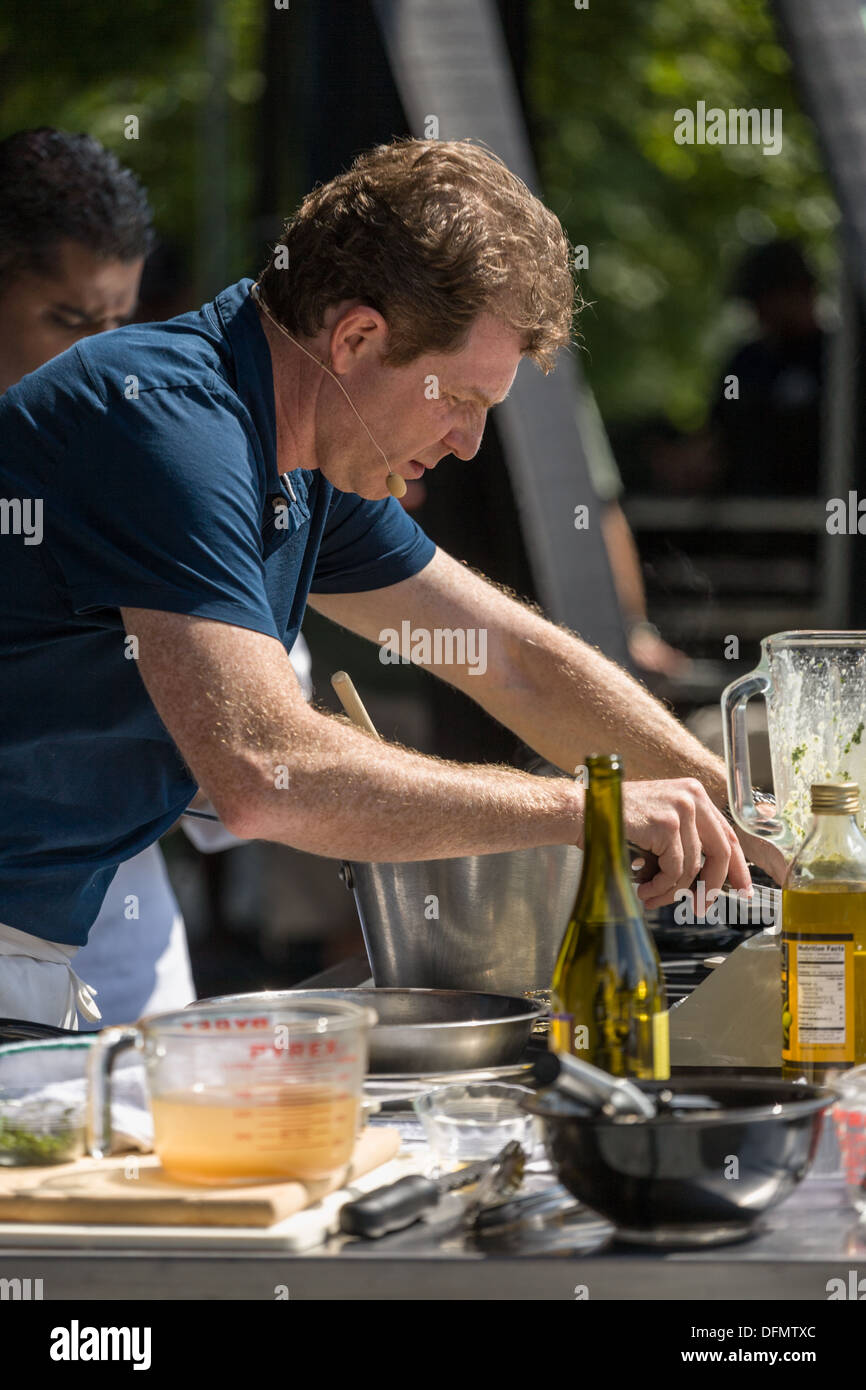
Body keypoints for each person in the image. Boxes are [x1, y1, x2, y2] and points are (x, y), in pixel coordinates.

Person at [0, 137, 782, 1027]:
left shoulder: (299, 447)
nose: (467, 442)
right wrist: (591, 808)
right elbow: (268, 771)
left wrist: (762, 825)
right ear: (358, 337)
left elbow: (517, 662)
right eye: (460, 399)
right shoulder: (172, 426)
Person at [711, 238, 826, 496]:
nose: (759, 311)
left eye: (766, 298)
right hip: (749, 513)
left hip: (826, 512)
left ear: (802, 291)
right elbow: (722, 419)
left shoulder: (839, 358)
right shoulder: (745, 363)